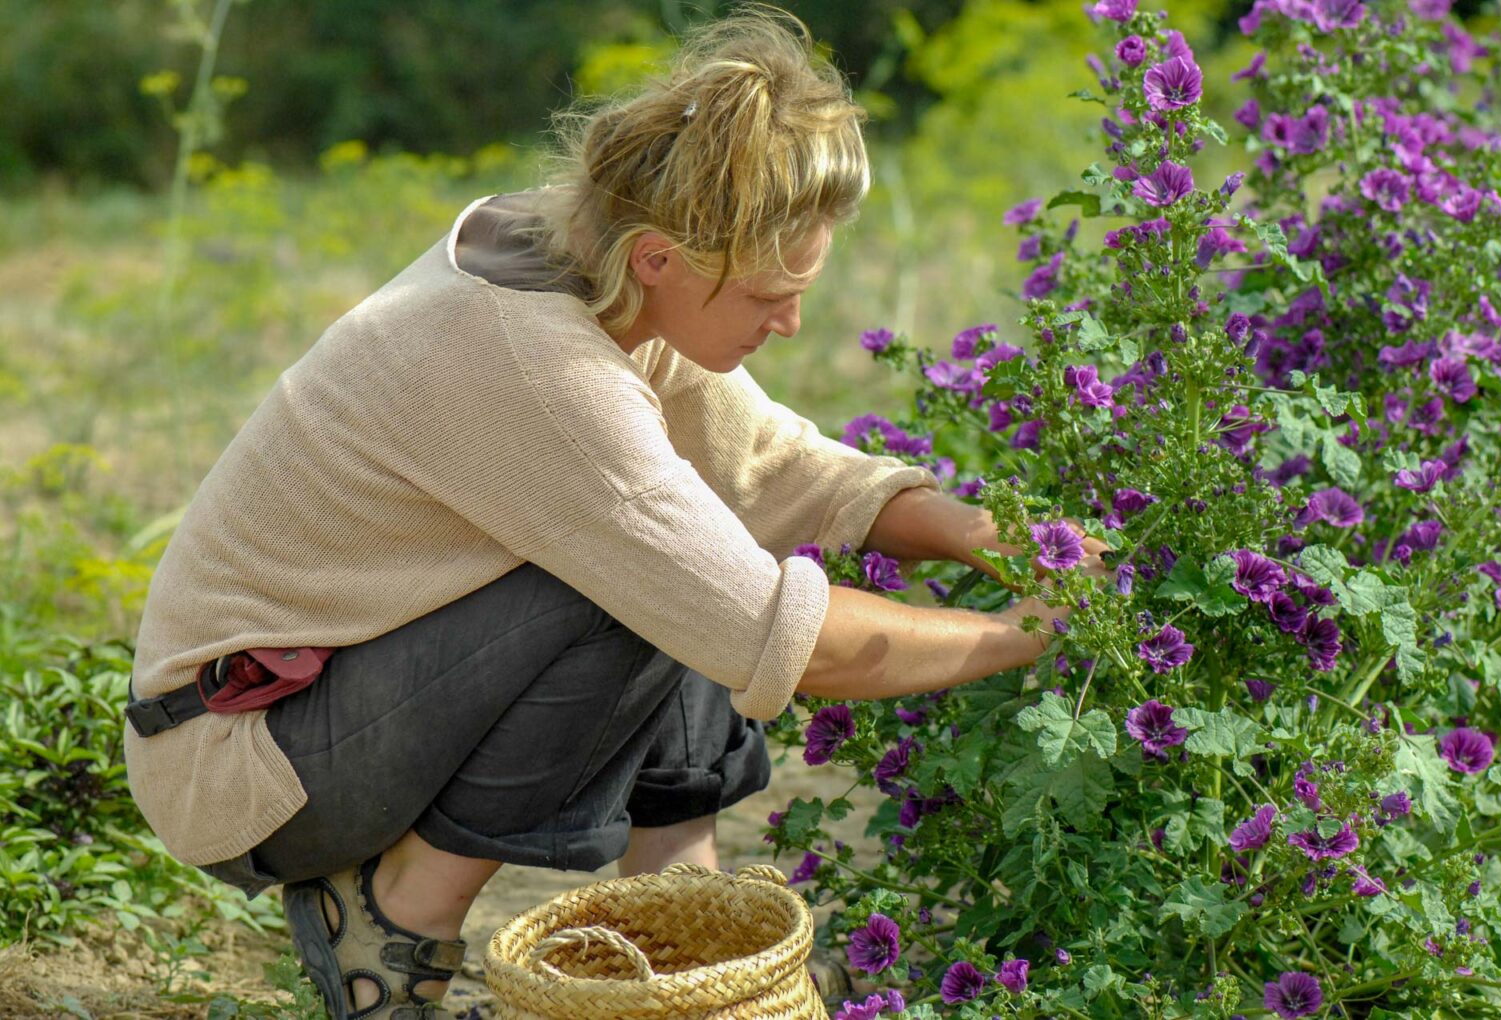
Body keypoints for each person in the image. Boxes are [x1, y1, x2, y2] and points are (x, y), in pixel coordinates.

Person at [122, 5, 1107, 1018]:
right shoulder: (536, 365)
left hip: (330, 699)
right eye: (770, 292)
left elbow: (773, 466)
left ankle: (682, 920)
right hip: (243, 760)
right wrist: (1028, 632)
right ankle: (389, 920)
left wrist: (996, 538)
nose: (793, 321)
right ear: (659, 259)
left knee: (680, 542)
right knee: (647, 576)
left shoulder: (588, 260)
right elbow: (795, 643)